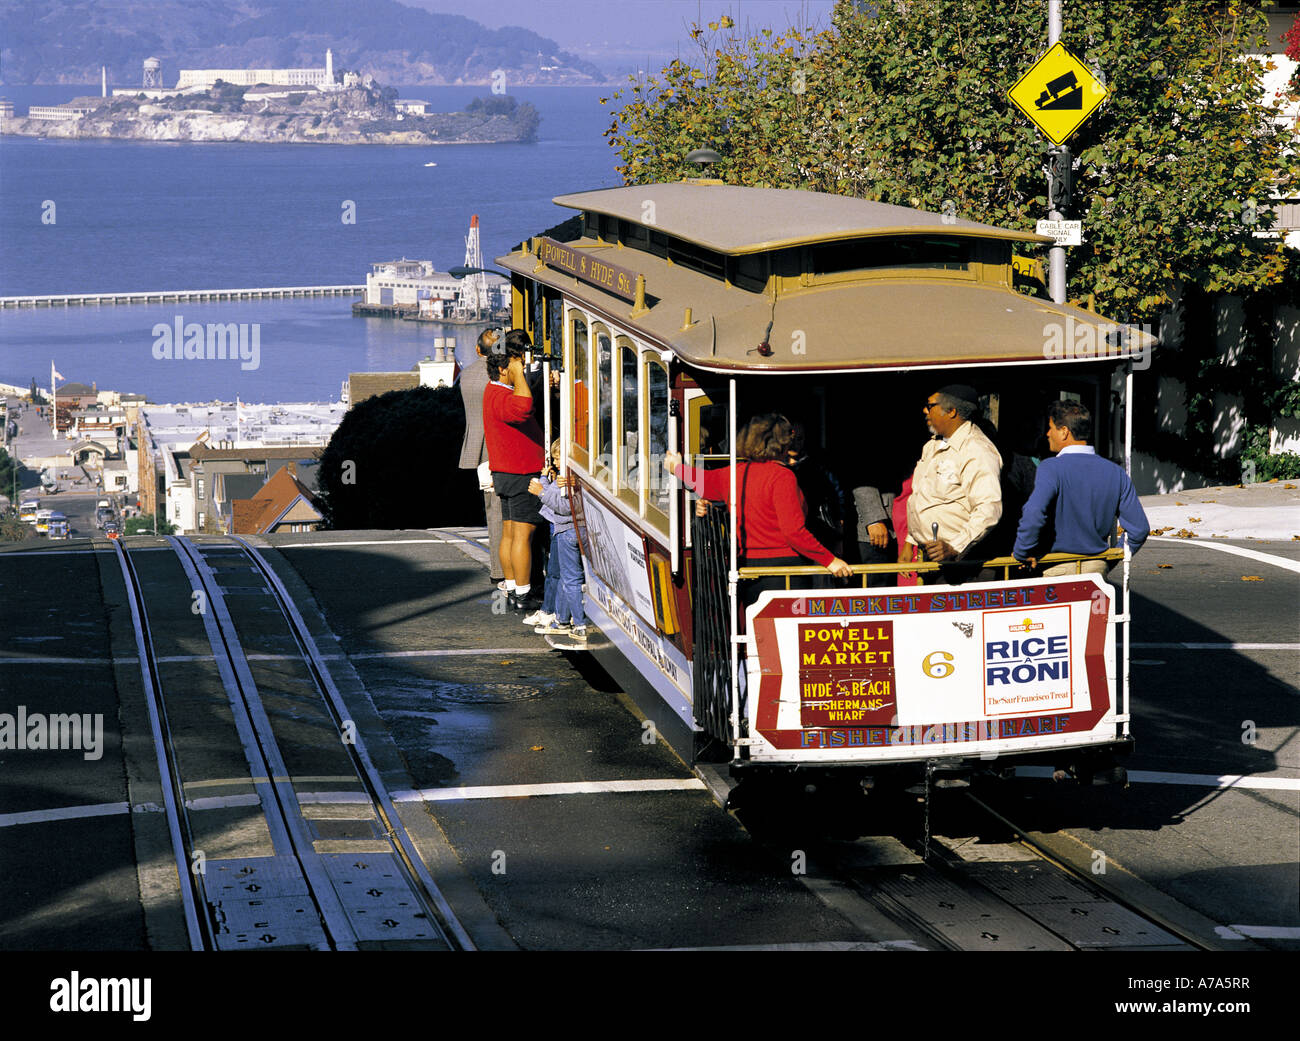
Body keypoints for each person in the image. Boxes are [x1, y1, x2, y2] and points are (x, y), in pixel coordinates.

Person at [663, 413, 851, 609]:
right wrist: (830, 561)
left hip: (748, 568)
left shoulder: (735, 474)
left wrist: (676, 467)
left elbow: (700, 481)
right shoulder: (783, 477)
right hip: (784, 572)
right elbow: (793, 532)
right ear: (783, 443)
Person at [1014, 400, 1150, 575]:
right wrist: (1111, 558)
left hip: (1055, 567)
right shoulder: (1115, 472)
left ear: (1064, 432)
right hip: (1096, 569)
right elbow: (1139, 529)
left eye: (1051, 428)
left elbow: (1034, 512)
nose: (1047, 434)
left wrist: (1022, 552)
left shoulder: (1050, 467)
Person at [906, 383, 1003, 581]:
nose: (925, 410)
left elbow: (988, 508)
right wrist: (911, 542)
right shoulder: (931, 446)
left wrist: (955, 547)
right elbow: (923, 498)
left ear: (951, 411)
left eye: (930, 405)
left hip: (966, 564)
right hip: (933, 560)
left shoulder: (976, 449)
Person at [483, 329, 545, 611]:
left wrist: (520, 373)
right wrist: (520, 373)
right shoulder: (501, 395)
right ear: (502, 368)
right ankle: (523, 594)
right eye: (513, 364)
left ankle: (511, 587)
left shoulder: (492, 391)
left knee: (508, 533)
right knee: (522, 535)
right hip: (521, 473)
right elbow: (523, 407)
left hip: (505, 474)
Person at [458, 327, 506, 587]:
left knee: (493, 510)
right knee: (503, 511)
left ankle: (499, 570)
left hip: (479, 450)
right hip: (500, 448)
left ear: (478, 350)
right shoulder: (501, 376)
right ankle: (506, 572)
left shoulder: (467, 375)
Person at [528, 440, 588, 646]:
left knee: (570, 578)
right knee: (567, 577)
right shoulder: (576, 477)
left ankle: (579, 625)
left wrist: (540, 490)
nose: (554, 461)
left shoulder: (569, 480)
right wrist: (545, 480)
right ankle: (562, 620)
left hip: (567, 529)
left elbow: (564, 507)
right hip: (576, 529)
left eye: (557, 457)